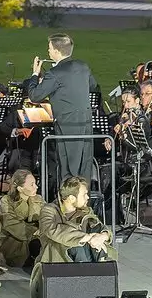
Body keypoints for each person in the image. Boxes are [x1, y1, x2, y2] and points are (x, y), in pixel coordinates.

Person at [27, 33, 101, 190]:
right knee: (84, 168)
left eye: (49, 48)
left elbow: (34, 96)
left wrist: (35, 74)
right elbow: (93, 86)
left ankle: (68, 207)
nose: (48, 51)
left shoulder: (54, 73)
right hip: (86, 124)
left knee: (68, 168)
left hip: (68, 126)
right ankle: (83, 204)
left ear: (56, 50)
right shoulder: (83, 66)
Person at [31, 175, 115, 298]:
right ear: (71, 198)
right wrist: (85, 237)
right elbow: (53, 230)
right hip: (58, 258)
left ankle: (97, 290)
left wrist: (102, 236)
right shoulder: (49, 210)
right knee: (76, 245)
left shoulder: (85, 210)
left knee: (99, 245)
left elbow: (98, 225)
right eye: (84, 194)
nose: (88, 197)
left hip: (85, 254)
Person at [0, 168, 43, 269]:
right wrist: (35, 231)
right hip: (15, 244)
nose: (36, 187)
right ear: (20, 188)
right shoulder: (6, 201)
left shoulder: (38, 199)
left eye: (35, 183)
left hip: (36, 239)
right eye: (32, 184)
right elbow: (10, 223)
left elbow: (47, 217)